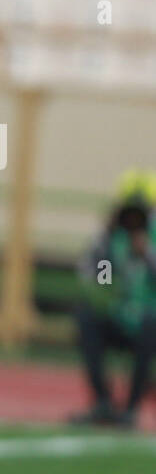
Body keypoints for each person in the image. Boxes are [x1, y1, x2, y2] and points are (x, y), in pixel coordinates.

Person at [70, 173, 156, 428]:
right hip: (122, 318)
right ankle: (103, 402)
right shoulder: (112, 238)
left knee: (150, 325)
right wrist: (107, 247)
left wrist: (146, 256)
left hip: (149, 322)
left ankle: (130, 409)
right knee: (87, 318)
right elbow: (100, 279)